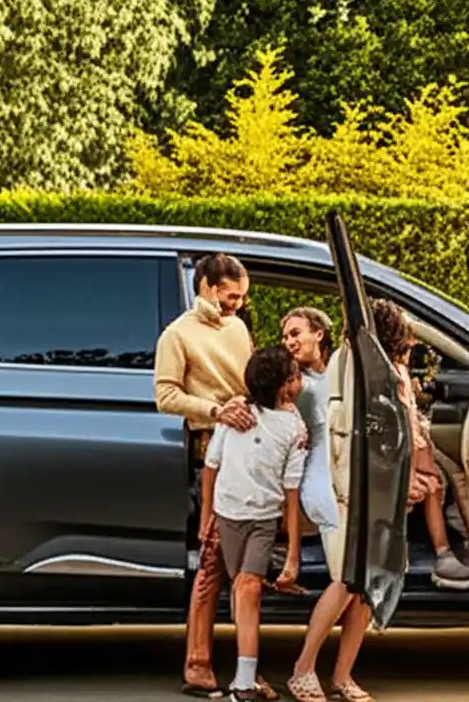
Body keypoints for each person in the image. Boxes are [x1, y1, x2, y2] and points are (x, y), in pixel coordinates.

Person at [153, 253, 275, 700]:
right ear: (206, 288)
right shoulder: (177, 335)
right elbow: (165, 395)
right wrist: (216, 411)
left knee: (247, 569)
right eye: (230, 298)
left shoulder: (239, 328)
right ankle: (198, 663)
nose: (238, 306)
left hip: (252, 449)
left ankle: (244, 669)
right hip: (212, 451)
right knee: (212, 558)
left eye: (242, 299)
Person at [281, 307, 376, 702]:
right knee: (346, 576)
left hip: (349, 474)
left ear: (319, 333)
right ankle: (303, 669)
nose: (289, 340)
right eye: (285, 335)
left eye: (296, 332)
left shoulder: (342, 368)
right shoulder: (293, 381)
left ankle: (342, 676)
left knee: (364, 584)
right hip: (320, 476)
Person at [203, 345, 307, 702]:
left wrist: (292, 554)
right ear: (280, 385)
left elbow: (291, 494)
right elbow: (211, 467)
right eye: (294, 376)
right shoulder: (237, 413)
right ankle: (249, 673)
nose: (300, 380)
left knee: (248, 588)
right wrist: (207, 518)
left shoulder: (294, 427)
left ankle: (243, 685)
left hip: (264, 518)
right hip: (229, 513)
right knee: (241, 593)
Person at [371, 298, 469, 589]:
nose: (413, 343)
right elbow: (403, 429)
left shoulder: (387, 371)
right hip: (396, 457)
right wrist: (417, 468)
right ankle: (443, 550)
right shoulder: (389, 375)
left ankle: (445, 548)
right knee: (432, 484)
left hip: (398, 452)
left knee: (436, 480)